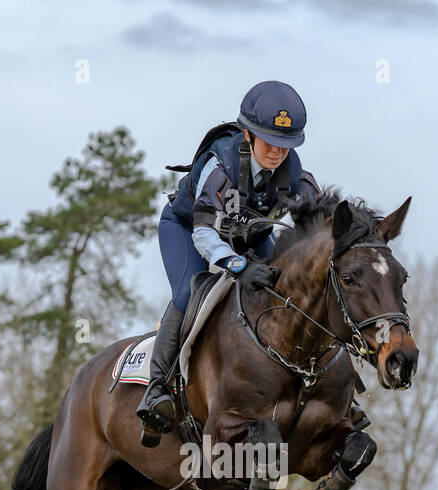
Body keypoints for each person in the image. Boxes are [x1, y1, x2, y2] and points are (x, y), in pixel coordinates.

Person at [137, 80, 324, 446]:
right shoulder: (219, 164)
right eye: (270, 142)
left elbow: (321, 223)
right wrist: (236, 266)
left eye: (287, 145)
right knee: (190, 295)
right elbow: (205, 234)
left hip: (249, 238)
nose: (278, 153)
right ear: (248, 135)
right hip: (188, 230)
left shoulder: (295, 172)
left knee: (287, 290)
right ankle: (156, 391)